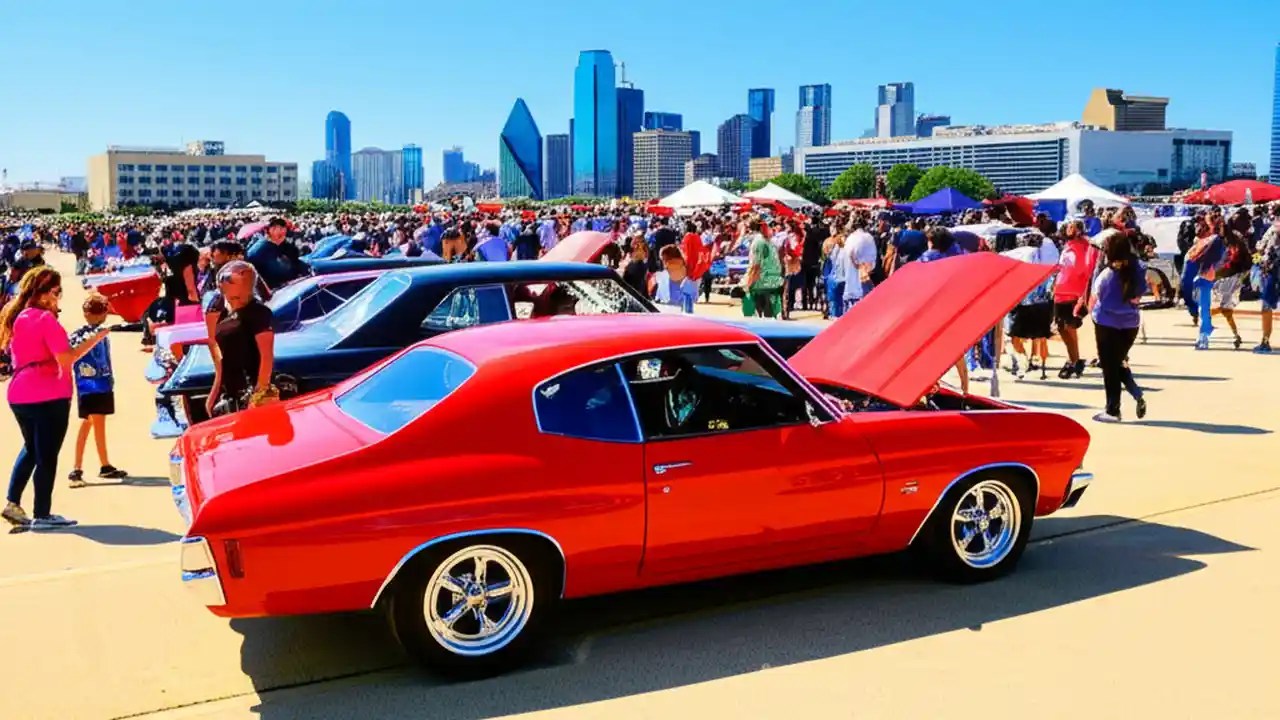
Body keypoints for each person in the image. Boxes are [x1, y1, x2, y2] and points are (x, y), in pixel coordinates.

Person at [1, 268, 110, 528]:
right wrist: (96, 339)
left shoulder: (19, 316)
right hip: (48, 393)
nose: (59, 297)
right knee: (47, 455)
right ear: (46, 293)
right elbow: (66, 358)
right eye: (57, 292)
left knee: (31, 448)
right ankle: (42, 513)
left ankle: (13, 502)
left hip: (20, 393)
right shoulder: (45, 320)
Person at [68, 295, 127, 487]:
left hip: (94, 385)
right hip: (94, 386)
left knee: (88, 424)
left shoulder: (81, 334)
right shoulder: (94, 334)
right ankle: (100, 465)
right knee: (97, 425)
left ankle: (81, 466)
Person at [1090, 232, 1148, 423]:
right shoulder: (1138, 269)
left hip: (1106, 322)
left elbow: (1097, 295)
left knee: (1109, 367)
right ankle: (1135, 393)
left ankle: (1113, 409)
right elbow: (1137, 296)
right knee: (1117, 362)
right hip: (1130, 323)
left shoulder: (1107, 275)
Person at [206, 262, 276, 418]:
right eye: (229, 297)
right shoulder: (224, 313)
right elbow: (220, 359)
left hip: (252, 389)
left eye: (238, 296)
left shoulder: (259, 313)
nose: (233, 301)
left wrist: (259, 395)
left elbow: (267, 356)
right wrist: (214, 392)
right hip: (230, 391)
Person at [1052, 220, 1096, 379]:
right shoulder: (1068, 245)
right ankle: (1074, 359)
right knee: (1064, 327)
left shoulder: (1084, 246)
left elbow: (1084, 269)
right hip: (1061, 289)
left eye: (1072, 226)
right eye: (1068, 226)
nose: (1068, 229)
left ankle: (1073, 360)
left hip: (1073, 290)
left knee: (1067, 326)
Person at [1212, 214, 1254, 349]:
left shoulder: (1233, 240)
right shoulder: (1233, 239)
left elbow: (1233, 260)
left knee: (1224, 308)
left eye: (1219, 228)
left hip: (1231, 276)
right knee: (1226, 309)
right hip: (1232, 276)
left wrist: (1218, 270)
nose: (1218, 231)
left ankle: (1205, 326)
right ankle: (1236, 335)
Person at [1185, 213, 1226, 350]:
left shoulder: (1212, 240)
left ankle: (1204, 335)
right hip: (1207, 274)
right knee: (1203, 304)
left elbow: (1196, 255)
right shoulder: (1215, 240)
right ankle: (1205, 331)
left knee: (1203, 305)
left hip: (1204, 273)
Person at [246, 217, 303, 290]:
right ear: (267, 230)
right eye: (275, 228)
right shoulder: (258, 252)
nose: (281, 231)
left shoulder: (287, 247)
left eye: (282, 228)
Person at [743, 218, 783, 318]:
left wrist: (748, 283)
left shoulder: (758, 242)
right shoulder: (769, 241)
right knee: (770, 314)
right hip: (774, 281)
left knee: (758, 314)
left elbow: (756, 265)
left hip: (761, 283)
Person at [1255, 208, 1280, 353]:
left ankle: (1265, 341)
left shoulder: (1272, 229)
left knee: (1266, 307)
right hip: (1272, 270)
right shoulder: (1272, 229)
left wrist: (1257, 261)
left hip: (1272, 272)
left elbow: (1261, 248)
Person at [841, 220, 877, 312]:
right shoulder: (869, 237)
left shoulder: (851, 238)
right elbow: (873, 255)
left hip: (854, 270)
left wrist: (855, 263)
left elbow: (849, 253)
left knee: (854, 292)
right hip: (866, 269)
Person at [651, 245, 698, 313]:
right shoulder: (688, 270)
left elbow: (658, 297)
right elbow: (694, 295)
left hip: (669, 310)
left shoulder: (664, 274)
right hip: (685, 310)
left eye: (662, 259)